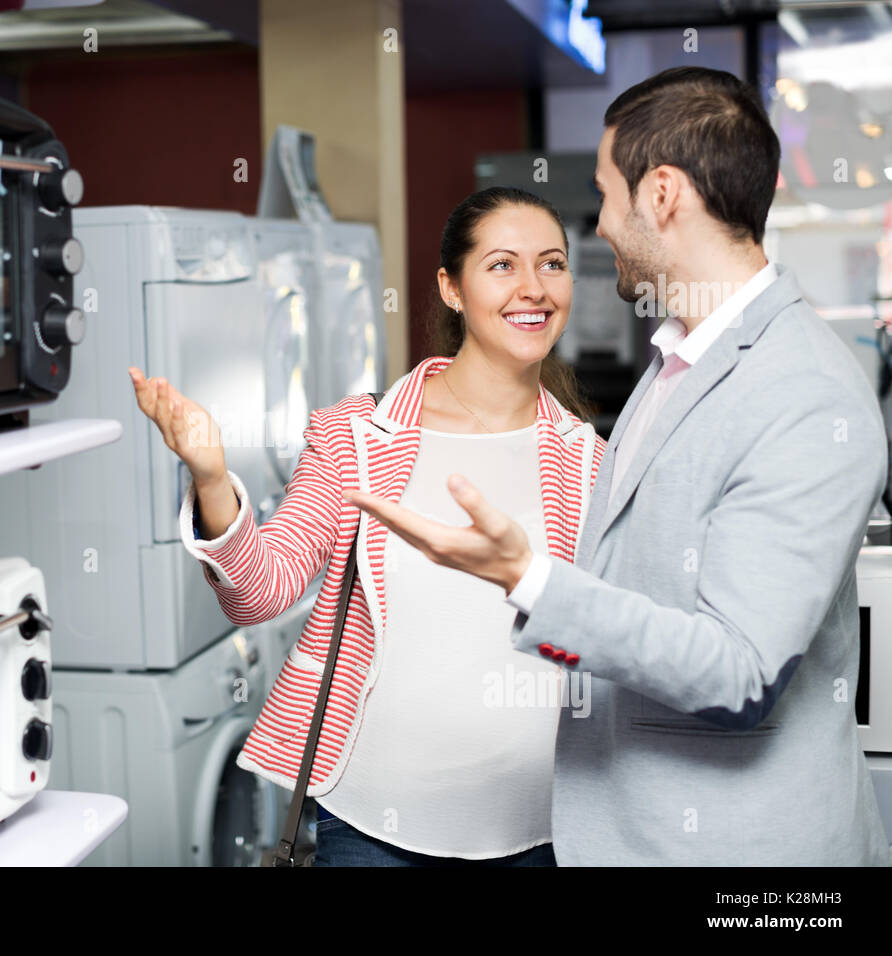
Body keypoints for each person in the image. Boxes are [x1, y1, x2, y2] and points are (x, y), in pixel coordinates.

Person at [346, 66, 892, 866]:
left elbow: (738, 669)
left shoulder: (806, 391)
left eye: (606, 193)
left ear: (663, 193)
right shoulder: (676, 361)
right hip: (627, 834)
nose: (598, 224)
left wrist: (527, 578)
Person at [129, 186, 606, 866]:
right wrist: (211, 478)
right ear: (450, 287)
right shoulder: (359, 437)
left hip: (542, 827)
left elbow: (609, 637)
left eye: (552, 264)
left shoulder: (589, 460)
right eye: (502, 265)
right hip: (375, 827)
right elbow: (259, 591)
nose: (533, 287)